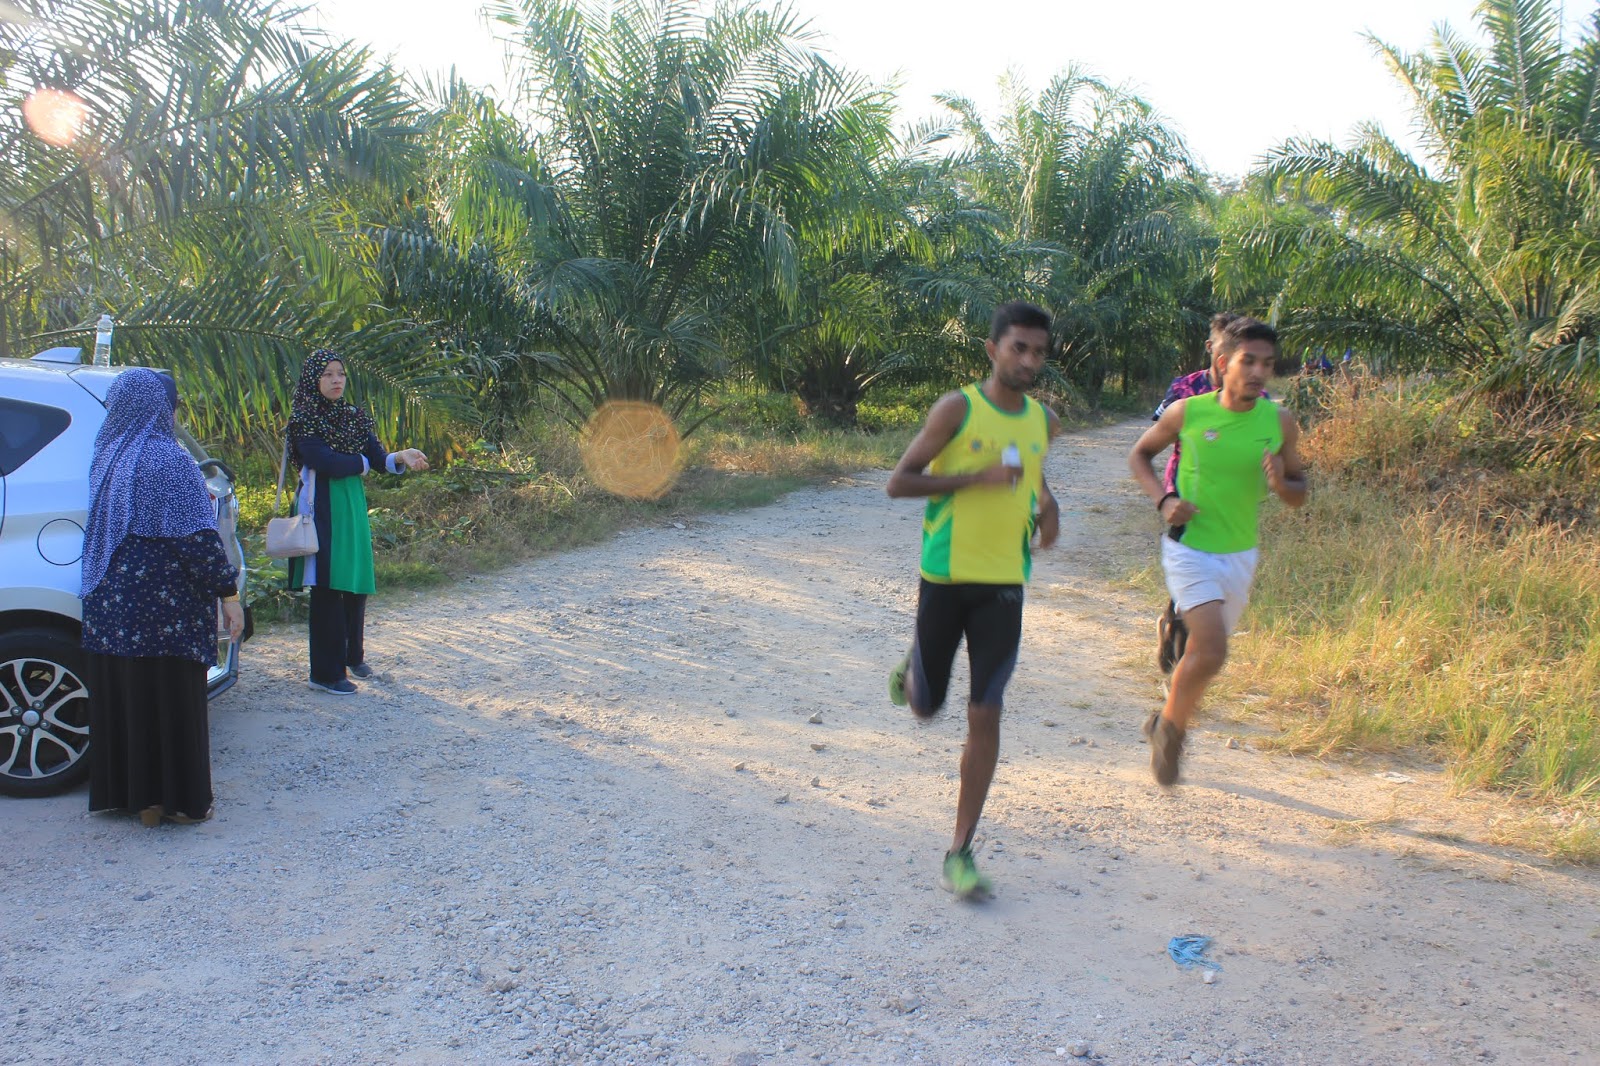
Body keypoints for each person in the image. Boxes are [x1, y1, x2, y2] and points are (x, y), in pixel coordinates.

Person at [885, 301, 1061, 899]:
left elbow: (1033, 474)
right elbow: (899, 481)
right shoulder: (957, 408)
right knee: (926, 708)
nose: (1029, 360)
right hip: (945, 576)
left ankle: (960, 850)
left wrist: (1048, 507)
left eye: (1038, 351)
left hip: (1004, 584)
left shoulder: (1044, 420)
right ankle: (914, 668)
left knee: (986, 708)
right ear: (992, 349)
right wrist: (974, 478)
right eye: (1019, 347)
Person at [1128, 315, 1308, 786]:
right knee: (1211, 651)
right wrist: (1164, 499)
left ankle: (1165, 721)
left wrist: (1280, 483)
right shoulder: (1189, 412)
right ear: (1223, 362)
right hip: (1189, 548)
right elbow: (1139, 455)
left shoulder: (1280, 421)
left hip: (1240, 553)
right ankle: (1173, 736)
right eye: (1248, 361)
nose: (1258, 372)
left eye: (1267, 364)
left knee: (1203, 658)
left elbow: (1299, 490)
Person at [80, 368, 244, 827]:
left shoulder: (107, 454)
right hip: (162, 605)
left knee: (128, 695)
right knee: (168, 697)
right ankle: (176, 802)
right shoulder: (168, 460)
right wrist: (228, 593)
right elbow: (195, 538)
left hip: (110, 603)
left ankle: (135, 797)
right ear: (158, 406)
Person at [285, 349, 429, 695]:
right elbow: (325, 461)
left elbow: (377, 458)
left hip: (350, 503)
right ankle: (325, 672)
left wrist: (400, 456)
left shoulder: (353, 417)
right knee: (329, 584)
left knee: (355, 578)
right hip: (321, 504)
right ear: (313, 380)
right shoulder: (303, 418)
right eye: (328, 375)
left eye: (340, 374)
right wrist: (363, 463)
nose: (336, 380)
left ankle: (352, 655)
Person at [1149, 312, 1246, 674]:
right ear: (1212, 349)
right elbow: (1156, 434)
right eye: (1229, 349)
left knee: (1217, 580)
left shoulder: (1256, 398)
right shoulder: (1184, 389)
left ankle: (1177, 624)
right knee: (1192, 576)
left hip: (1229, 505)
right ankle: (1177, 633)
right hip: (1184, 500)